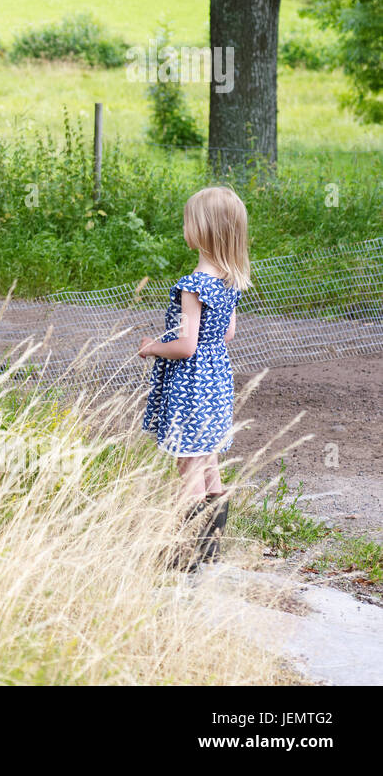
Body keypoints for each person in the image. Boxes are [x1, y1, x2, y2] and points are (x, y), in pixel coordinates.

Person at [138, 186, 251, 571]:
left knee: (188, 467)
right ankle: (210, 549)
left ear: (201, 231)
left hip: (189, 387)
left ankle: (183, 554)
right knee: (209, 461)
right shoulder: (228, 280)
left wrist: (153, 346)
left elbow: (186, 346)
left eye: (188, 221)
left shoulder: (193, 285)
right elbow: (227, 334)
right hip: (216, 381)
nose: (184, 227)